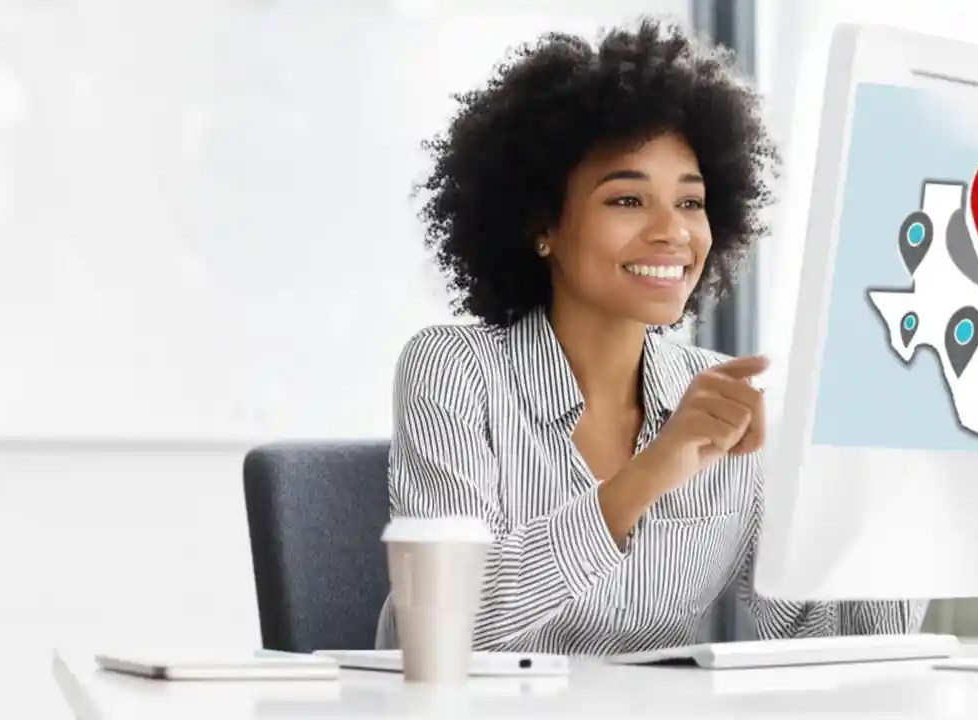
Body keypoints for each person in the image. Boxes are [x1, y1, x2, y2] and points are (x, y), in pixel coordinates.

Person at [375, 18, 925, 654]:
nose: (673, 232)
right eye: (628, 201)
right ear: (540, 225)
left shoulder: (724, 402)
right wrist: (650, 473)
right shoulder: (453, 369)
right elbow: (446, 624)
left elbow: (838, 647)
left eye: (690, 203)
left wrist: (882, 482)